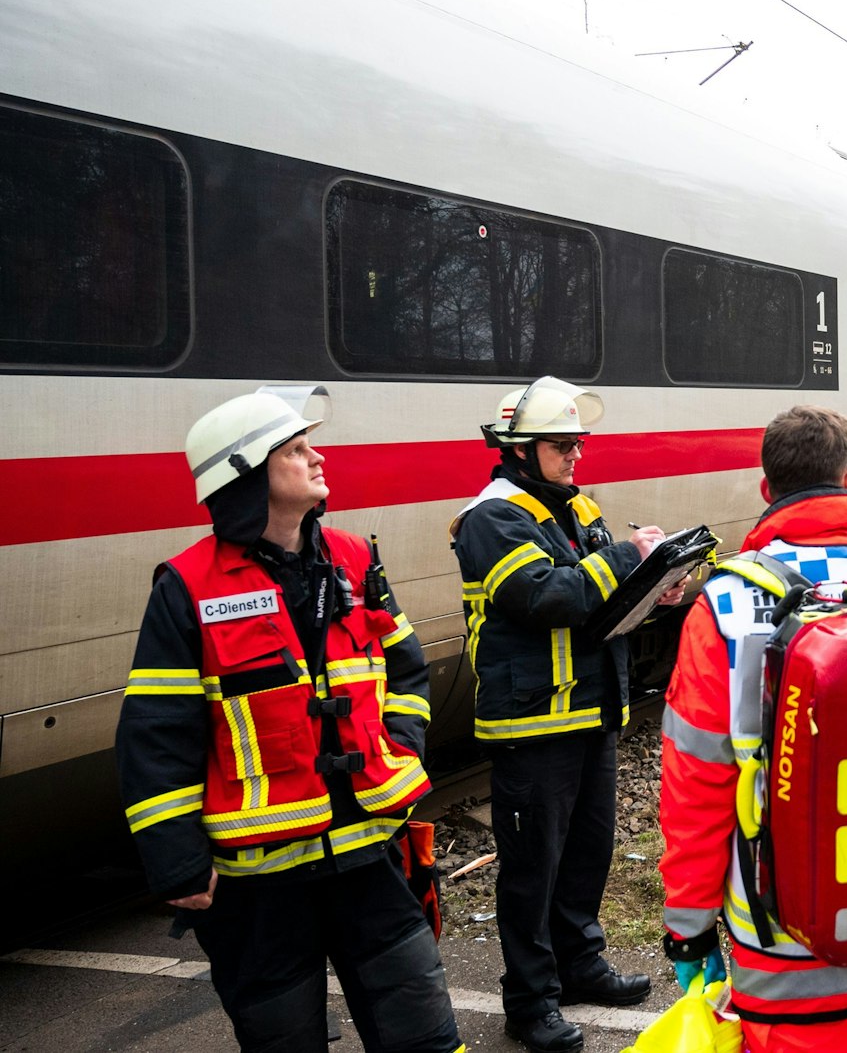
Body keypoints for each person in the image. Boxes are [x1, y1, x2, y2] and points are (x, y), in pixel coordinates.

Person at [117, 390, 463, 1053]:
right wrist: (179, 862)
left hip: (370, 856)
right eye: (297, 449)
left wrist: (401, 754)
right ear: (248, 472)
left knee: (426, 1037)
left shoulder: (354, 560)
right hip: (259, 886)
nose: (317, 456)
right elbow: (157, 731)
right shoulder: (187, 587)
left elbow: (407, 671)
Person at [659, 405, 847, 1052]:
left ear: (767, 490)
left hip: (787, 940)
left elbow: (697, 787)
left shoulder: (727, 605)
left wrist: (688, 926)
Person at [450, 377, 665, 1053]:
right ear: (519, 449)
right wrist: (630, 555)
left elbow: (601, 598)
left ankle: (579, 964)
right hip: (532, 725)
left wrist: (659, 584)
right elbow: (548, 595)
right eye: (562, 444)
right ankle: (531, 997)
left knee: (585, 853)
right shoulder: (493, 517)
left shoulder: (575, 507)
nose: (576, 455)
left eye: (578, 443)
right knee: (532, 869)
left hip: (588, 715)